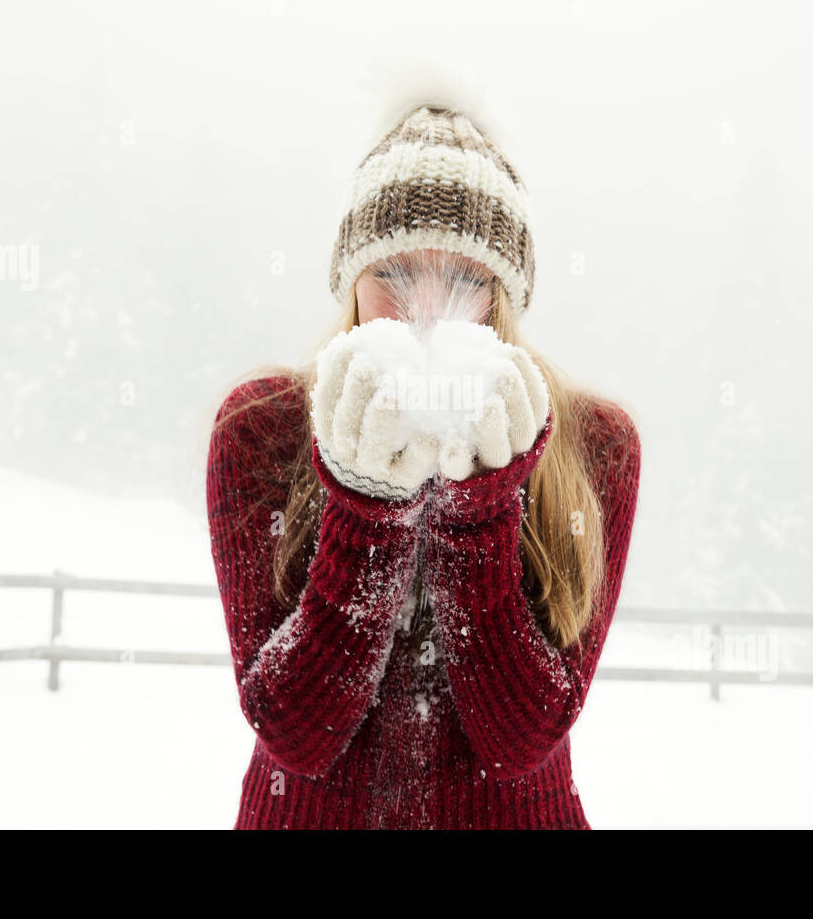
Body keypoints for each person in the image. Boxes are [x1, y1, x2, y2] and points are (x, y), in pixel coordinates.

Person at [205, 103, 641, 829]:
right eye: (396, 270)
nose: (428, 309)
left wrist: (479, 508)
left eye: (467, 276)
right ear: (350, 280)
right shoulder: (265, 427)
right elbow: (295, 734)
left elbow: (522, 740)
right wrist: (367, 505)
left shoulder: (593, 446)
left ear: (506, 296)